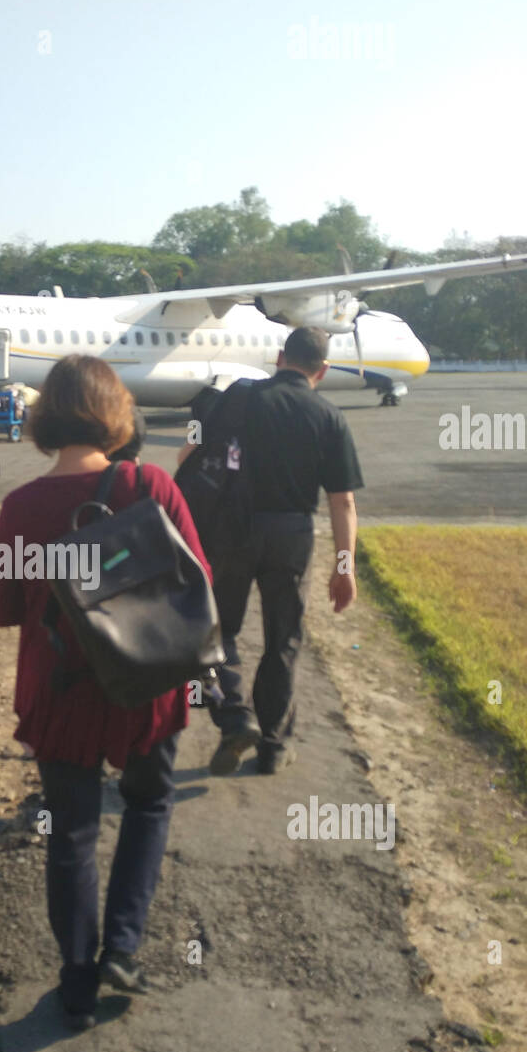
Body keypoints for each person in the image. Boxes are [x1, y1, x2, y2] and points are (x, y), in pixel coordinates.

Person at [0, 355, 213, 1031]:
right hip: (146, 680)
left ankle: (76, 981)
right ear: (117, 414)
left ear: (44, 418)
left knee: (71, 835)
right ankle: (123, 946)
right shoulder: (151, 484)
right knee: (147, 805)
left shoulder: (20, 505)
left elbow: (3, 609)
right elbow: (194, 578)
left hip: (60, 691)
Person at [179, 326, 363, 776]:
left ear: (279, 357)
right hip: (292, 535)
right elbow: (344, 502)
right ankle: (275, 746)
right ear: (322, 369)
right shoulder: (328, 416)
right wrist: (345, 566)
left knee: (221, 631)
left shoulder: (235, 397)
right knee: (284, 639)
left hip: (232, 530)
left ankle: (235, 716)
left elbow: (188, 456)